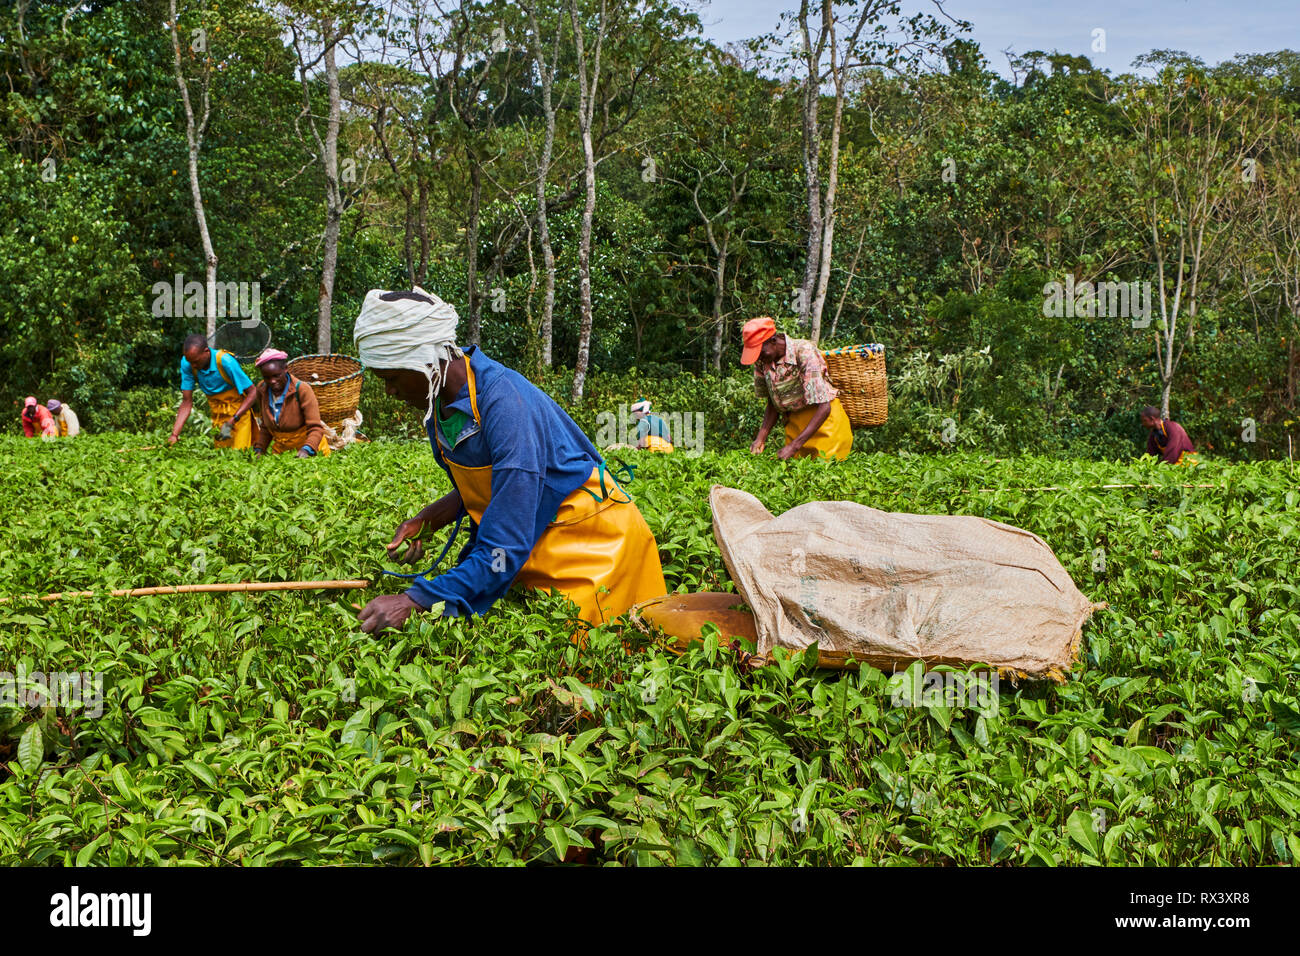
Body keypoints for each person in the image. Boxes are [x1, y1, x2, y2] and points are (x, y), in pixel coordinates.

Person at [351, 286, 666, 633]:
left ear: (426, 361)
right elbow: (496, 486)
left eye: (392, 378)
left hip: (595, 550)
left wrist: (415, 600)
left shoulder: (504, 405)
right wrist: (428, 520)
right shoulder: (438, 405)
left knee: (590, 655)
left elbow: (505, 543)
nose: (390, 392)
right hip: (533, 543)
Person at [743, 316, 852, 461]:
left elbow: (824, 406)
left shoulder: (804, 352)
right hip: (796, 426)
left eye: (760, 353)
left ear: (773, 341)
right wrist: (760, 438)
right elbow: (773, 402)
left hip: (825, 425)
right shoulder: (763, 362)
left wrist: (793, 446)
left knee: (826, 472)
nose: (759, 359)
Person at [168, 334, 256, 449]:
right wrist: (174, 434)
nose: (193, 365)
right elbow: (186, 401)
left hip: (239, 414)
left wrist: (233, 420)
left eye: (196, 361)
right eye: (191, 362)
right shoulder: (188, 363)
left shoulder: (225, 361)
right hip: (218, 417)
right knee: (222, 458)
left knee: (241, 456)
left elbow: (253, 392)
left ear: (206, 351)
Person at [250, 349, 331, 458]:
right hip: (282, 453)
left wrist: (307, 449)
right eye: (267, 377)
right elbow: (266, 426)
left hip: (310, 449)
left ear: (285, 369)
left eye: (276, 376)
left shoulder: (302, 390)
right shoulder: (262, 389)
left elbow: (315, 427)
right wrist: (259, 449)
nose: (272, 381)